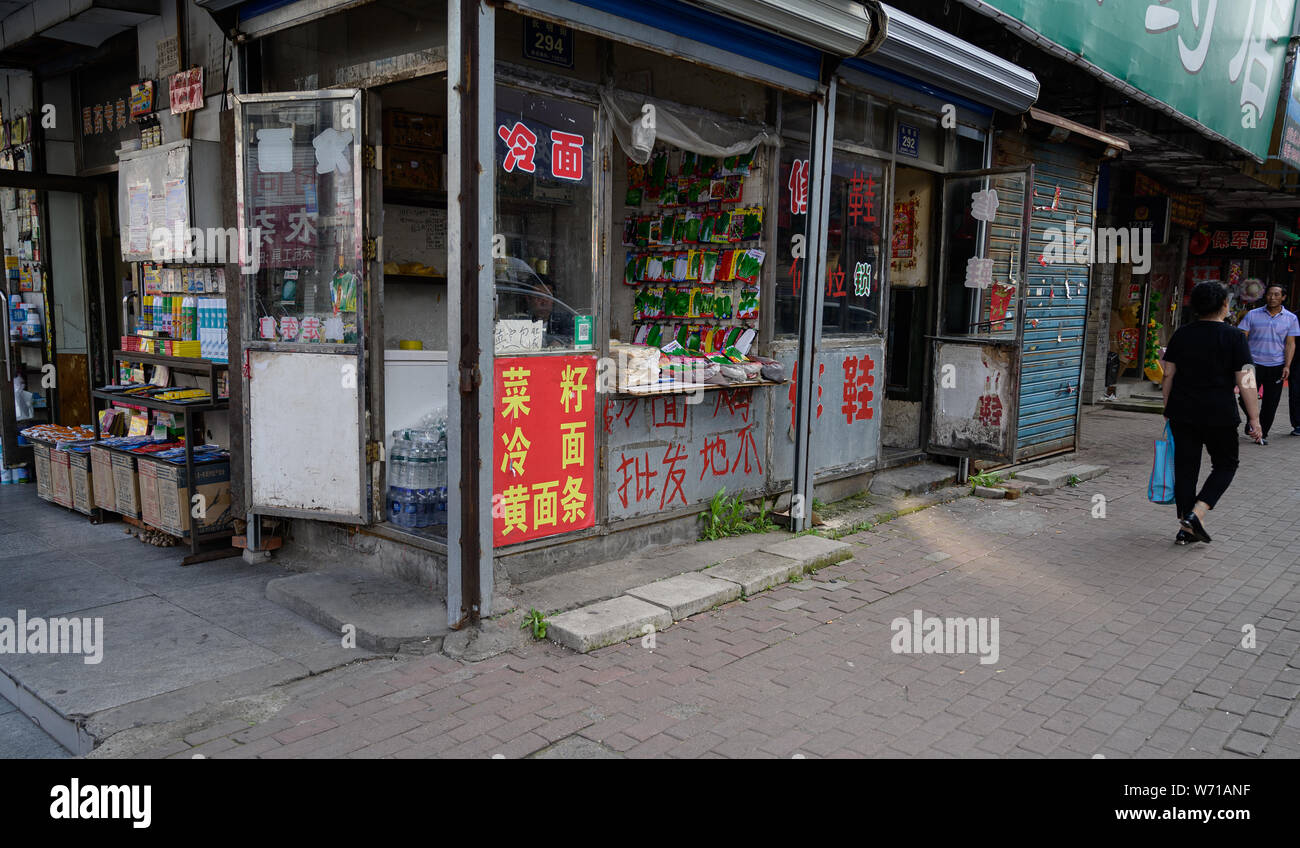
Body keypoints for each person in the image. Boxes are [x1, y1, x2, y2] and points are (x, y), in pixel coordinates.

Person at [1161, 281, 1262, 546]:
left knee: (1186, 469)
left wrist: (1167, 407)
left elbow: (1168, 374)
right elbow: (1246, 380)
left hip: (1182, 411)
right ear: (1224, 305)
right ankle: (1197, 514)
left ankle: (1186, 528)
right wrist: (1254, 418)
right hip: (1219, 413)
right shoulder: (1234, 337)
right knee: (1226, 464)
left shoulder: (1181, 334)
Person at [1236, 283, 1299, 443]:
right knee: (1244, 397)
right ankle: (1253, 420)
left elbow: (1290, 344)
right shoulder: (1252, 314)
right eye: (1270, 294)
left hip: (1277, 365)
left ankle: (1261, 433)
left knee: (1271, 402)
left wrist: (1287, 365)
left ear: (1283, 298)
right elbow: (1243, 336)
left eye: (1277, 295)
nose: (1272, 297)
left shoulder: (1291, 318)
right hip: (1251, 365)